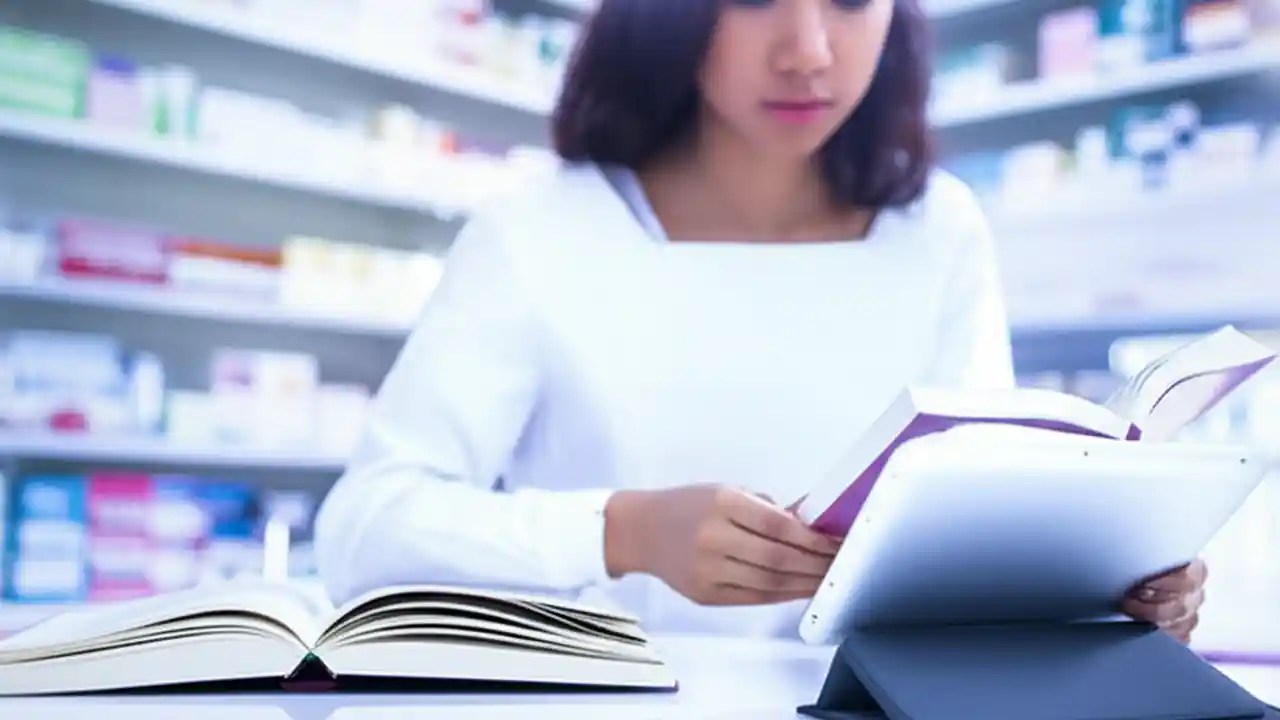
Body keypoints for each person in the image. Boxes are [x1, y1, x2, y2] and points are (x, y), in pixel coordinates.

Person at [315, 0, 1206, 641]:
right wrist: (622, 532)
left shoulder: (940, 229)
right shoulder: (537, 230)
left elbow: (980, 532)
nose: (808, 49)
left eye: (853, 1)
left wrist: (1110, 589)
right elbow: (366, 529)